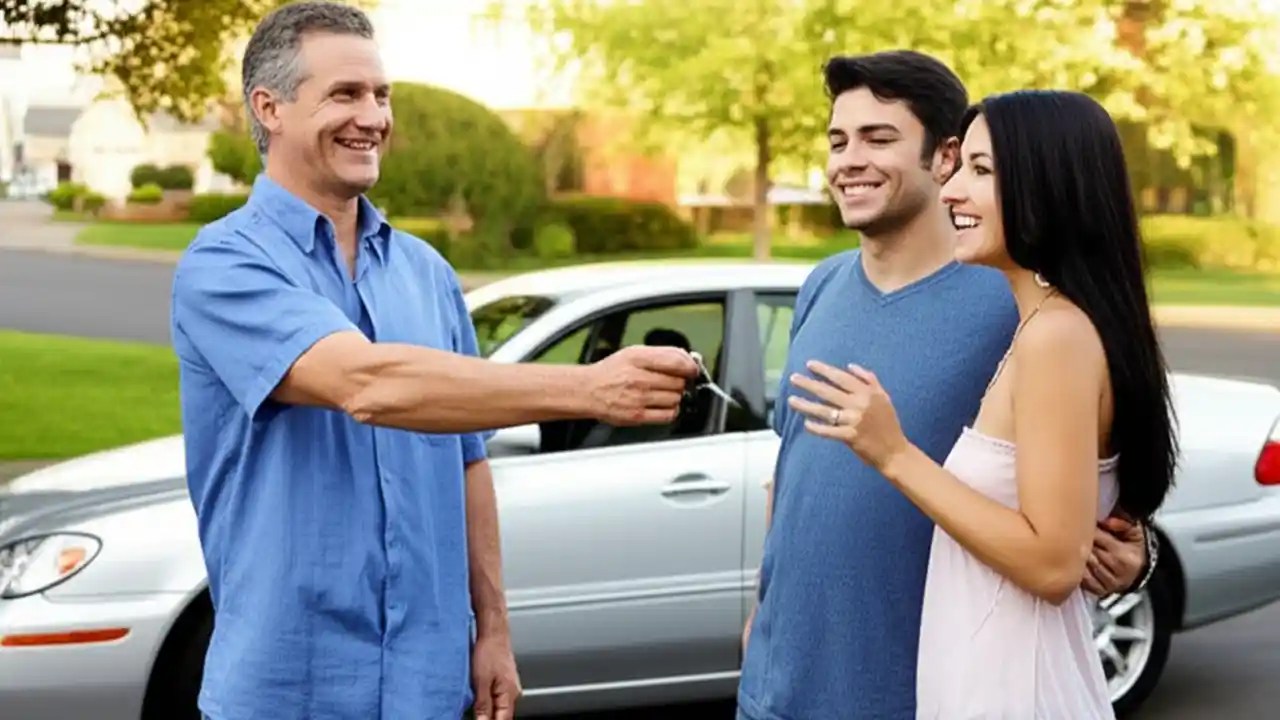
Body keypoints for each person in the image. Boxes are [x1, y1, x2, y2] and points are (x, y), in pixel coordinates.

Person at [168, 4, 697, 720]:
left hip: (429, 687)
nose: (373, 117)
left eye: (381, 95)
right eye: (345, 94)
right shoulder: (225, 265)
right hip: (288, 687)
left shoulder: (427, 273)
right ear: (271, 108)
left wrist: (495, 632)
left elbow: (469, 464)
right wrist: (589, 387)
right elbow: (367, 384)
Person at [737, 51, 1158, 720]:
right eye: (838, 140)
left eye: (878, 139)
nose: (850, 159)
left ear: (944, 156)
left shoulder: (1016, 306)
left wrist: (1140, 550)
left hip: (919, 688)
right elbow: (794, 477)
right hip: (778, 686)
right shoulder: (818, 288)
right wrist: (764, 616)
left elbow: (1090, 482)